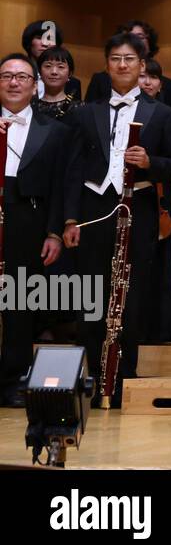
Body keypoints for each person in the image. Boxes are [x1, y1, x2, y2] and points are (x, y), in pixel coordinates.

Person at [61, 32, 171, 406]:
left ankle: (122, 376)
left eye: (130, 59)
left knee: (131, 292)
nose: (123, 65)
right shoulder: (86, 112)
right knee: (92, 293)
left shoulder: (163, 114)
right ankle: (91, 376)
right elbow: (71, 170)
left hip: (138, 208)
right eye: (115, 59)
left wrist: (150, 163)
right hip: (94, 209)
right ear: (107, 64)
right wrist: (69, 221)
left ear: (142, 66)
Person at [0, 53, 72, 407]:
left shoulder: (55, 131)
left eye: (22, 77)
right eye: (6, 76)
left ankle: (14, 381)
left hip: (29, 221)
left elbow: (61, 186)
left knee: (18, 304)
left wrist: (54, 233)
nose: (14, 83)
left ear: (35, 85)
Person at [139, 58, 171, 344]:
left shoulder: (167, 114)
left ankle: (161, 329)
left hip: (160, 194)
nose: (147, 82)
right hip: (133, 196)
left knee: (160, 264)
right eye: (142, 76)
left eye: (153, 77)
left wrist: (149, 162)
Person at [85, 21, 171, 109]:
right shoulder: (100, 80)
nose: (133, 41)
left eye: (139, 37)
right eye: (128, 37)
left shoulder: (168, 85)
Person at [22, 20, 81, 100]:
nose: (45, 43)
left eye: (49, 38)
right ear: (29, 42)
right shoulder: (14, 76)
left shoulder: (72, 83)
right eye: (39, 38)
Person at [34, 46, 81, 123]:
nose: (54, 72)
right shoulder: (31, 107)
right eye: (48, 66)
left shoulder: (81, 109)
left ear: (70, 74)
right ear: (40, 73)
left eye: (61, 67)